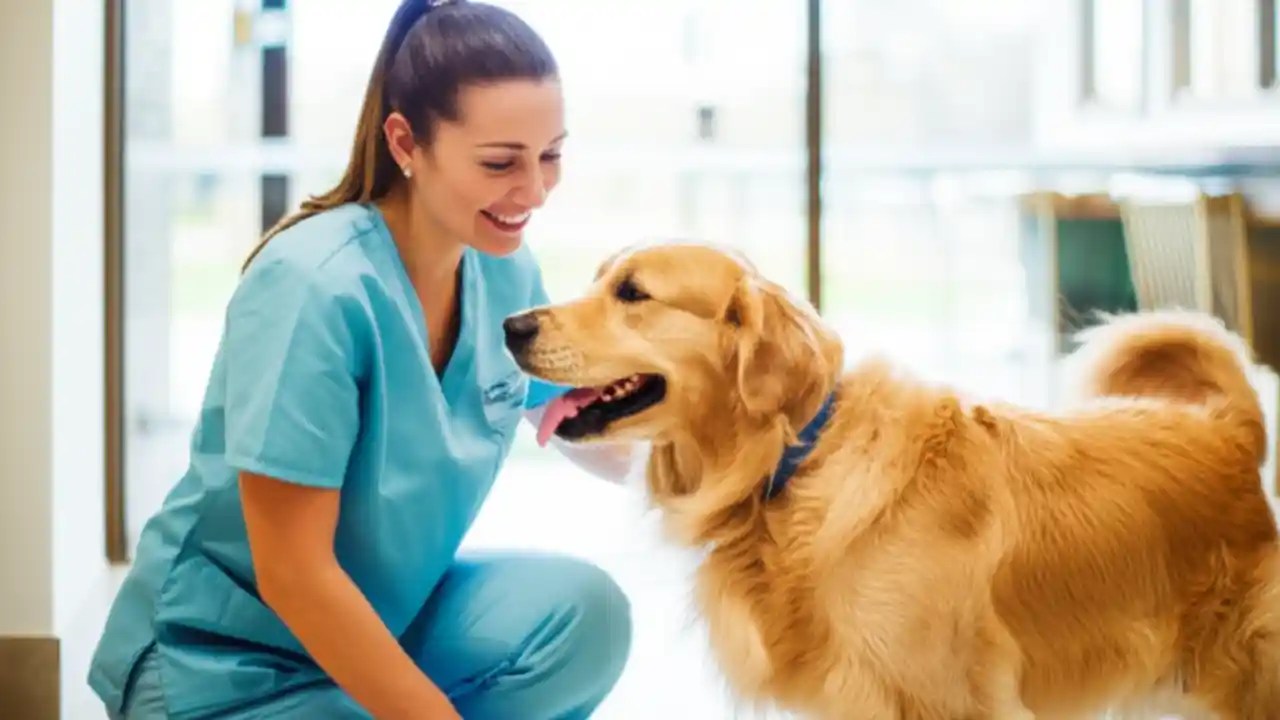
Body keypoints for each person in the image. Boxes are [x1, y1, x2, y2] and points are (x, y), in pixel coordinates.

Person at [88, 1, 634, 717]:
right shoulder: (314, 285)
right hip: (221, 659)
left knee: (584, 617)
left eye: (551, 154)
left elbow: (561, 415)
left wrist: (704, 444)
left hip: (380, 622)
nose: (533, 191)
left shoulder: (502, 266)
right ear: (407, 142)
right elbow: (292, 573)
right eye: (501, 162)